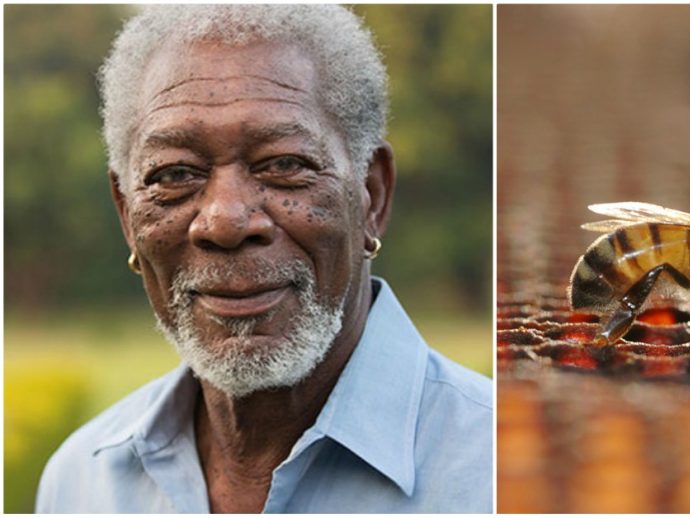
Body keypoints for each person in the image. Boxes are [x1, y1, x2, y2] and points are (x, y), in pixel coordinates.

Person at [35, 5, 492, 513]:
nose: (226, 222)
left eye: (284, 164)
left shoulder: (500, 470)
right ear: (127, 216)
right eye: (174, 174)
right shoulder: (85, 481)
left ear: (371, 195)